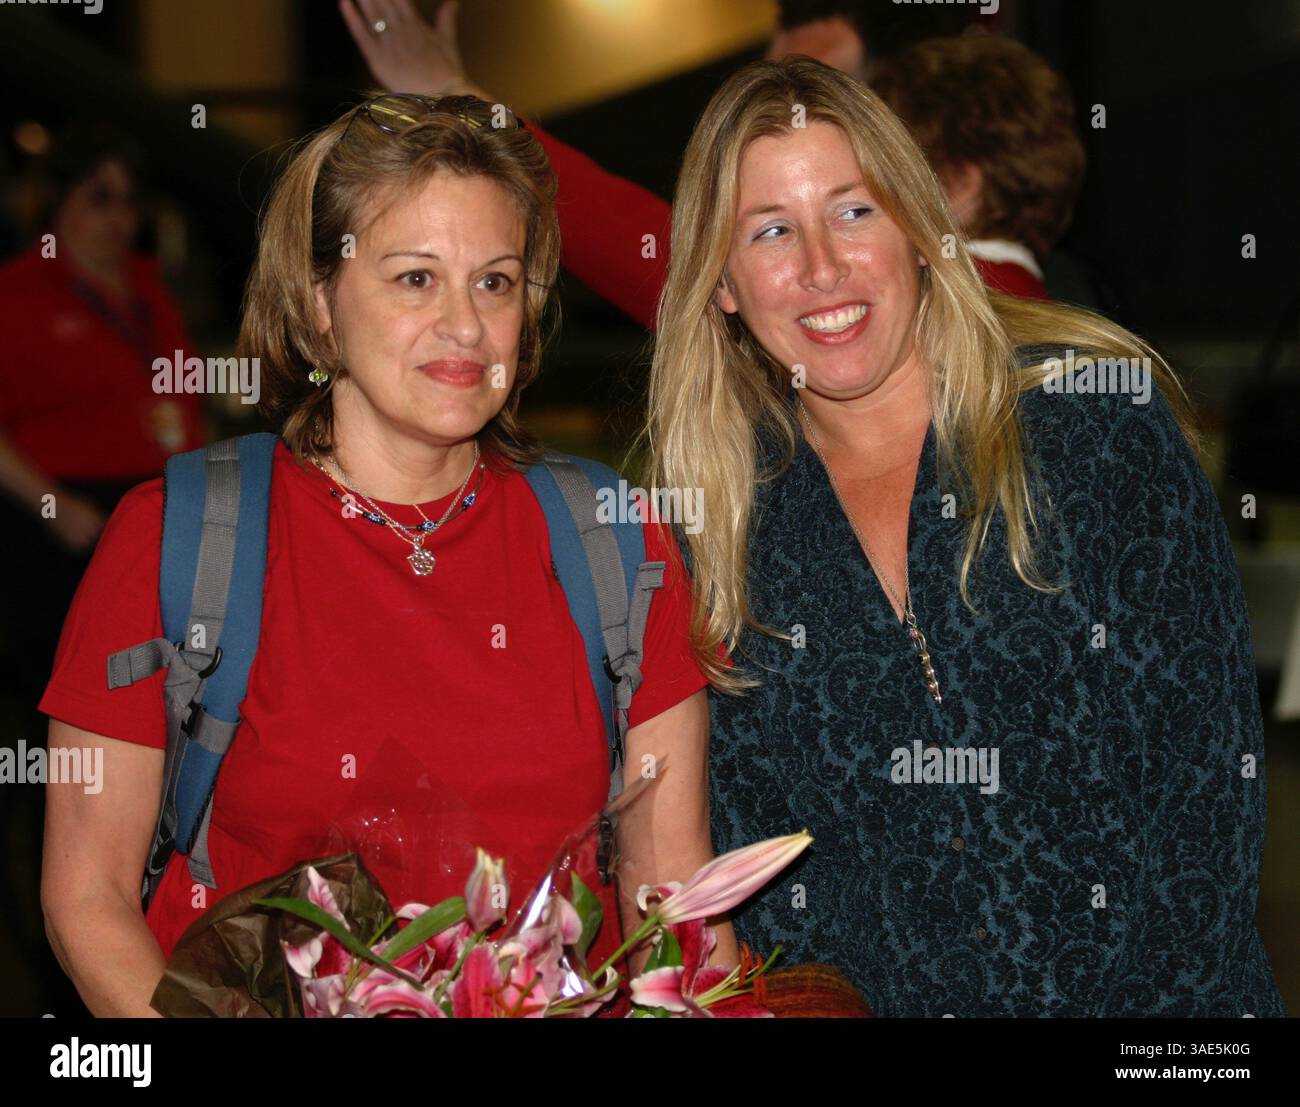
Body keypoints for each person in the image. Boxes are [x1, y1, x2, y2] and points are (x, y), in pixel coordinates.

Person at [39, 93, 733, 1016]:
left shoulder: (613, 537)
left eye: (495, 281)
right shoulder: (182, 538)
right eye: (415, 278)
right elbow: (85, 900)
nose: (465, 325)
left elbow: (675, 899)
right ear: (320, 304)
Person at [646, 57, 1286, 1017]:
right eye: (771, 230)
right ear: (723, 283)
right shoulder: (715, 532)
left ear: (919, 227)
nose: (823, 266)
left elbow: (1205, 809)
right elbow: (755, 888)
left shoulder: (1095, 425)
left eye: (855, 211)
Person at [341, 0, 984, 332]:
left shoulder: (1007, 341)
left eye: (825, 89)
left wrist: (456, 97)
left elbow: (630, 242)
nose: (820, 268)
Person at [872, 36, 1085, 302]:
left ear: (960, 184)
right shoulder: (1035, 296)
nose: (873, 188)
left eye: (889, 167)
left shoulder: (944, 301)